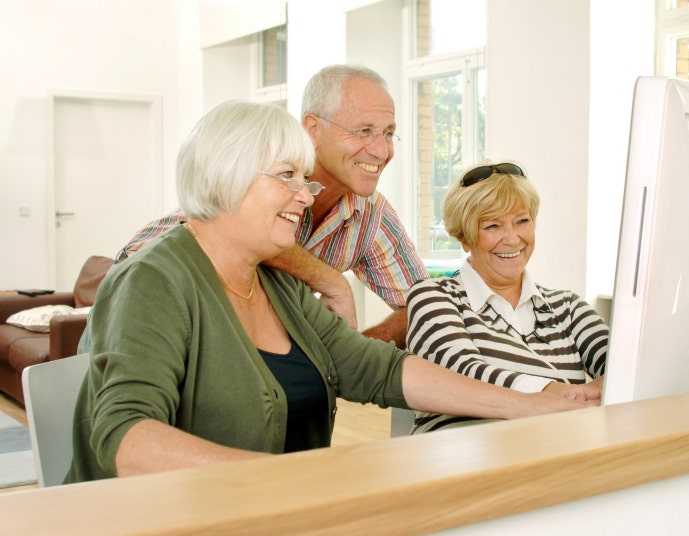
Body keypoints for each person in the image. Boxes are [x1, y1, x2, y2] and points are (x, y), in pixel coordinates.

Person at [65, 102, 589, 483]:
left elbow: (378, 370)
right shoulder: (155, 279)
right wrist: (299, 484)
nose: (304, 195)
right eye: (287, 177)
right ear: (224, 177)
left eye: (306, 178)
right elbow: (128, 441)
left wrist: (529, 406)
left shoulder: (275, 285)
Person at [83, 64, 427, 349]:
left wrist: (352, 354)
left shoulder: (369, 214)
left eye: (388, 133)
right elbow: (228, 235)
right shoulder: (256, 184)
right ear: (312, 128)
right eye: (364, 131)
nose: (382, 151)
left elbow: (423, 304)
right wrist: (329, 279)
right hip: (137, 315)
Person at [405, 162, 609, 433]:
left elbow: (622, 363)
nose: (512, 239)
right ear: (465, 238)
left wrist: (612, 381)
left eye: (522, 221)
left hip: (559, 455)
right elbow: (460, 375)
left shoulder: (567, 307)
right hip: (464, 462)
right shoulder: (433, 296)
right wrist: (566, 394)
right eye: (492, 226)